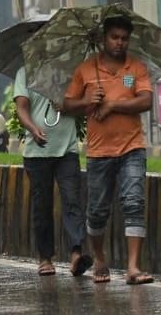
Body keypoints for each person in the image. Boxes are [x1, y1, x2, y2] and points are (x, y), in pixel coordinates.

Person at [63, 15, 153, 285]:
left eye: (124, 38)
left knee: (134, 202)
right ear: (104, 38)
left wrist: (113, 105)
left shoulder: (134, 68)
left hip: (132, 147)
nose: (119, 43)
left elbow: (145, 99)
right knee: (98, 210)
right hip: (99, 152)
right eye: (114, 37)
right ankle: (100, 258)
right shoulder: (86, 70)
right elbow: (68, 104)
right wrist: (88, 100)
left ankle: (133, 267)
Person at [13, 64, 90, 278]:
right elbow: (21, 107)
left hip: (67, 150)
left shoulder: (69, 73)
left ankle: (76, 253)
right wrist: (32, 128)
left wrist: (67, 106)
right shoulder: (25, 73)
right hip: (37, 153)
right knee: (42, 205)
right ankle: (45, 258)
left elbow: (85, 105)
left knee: (73, 200)